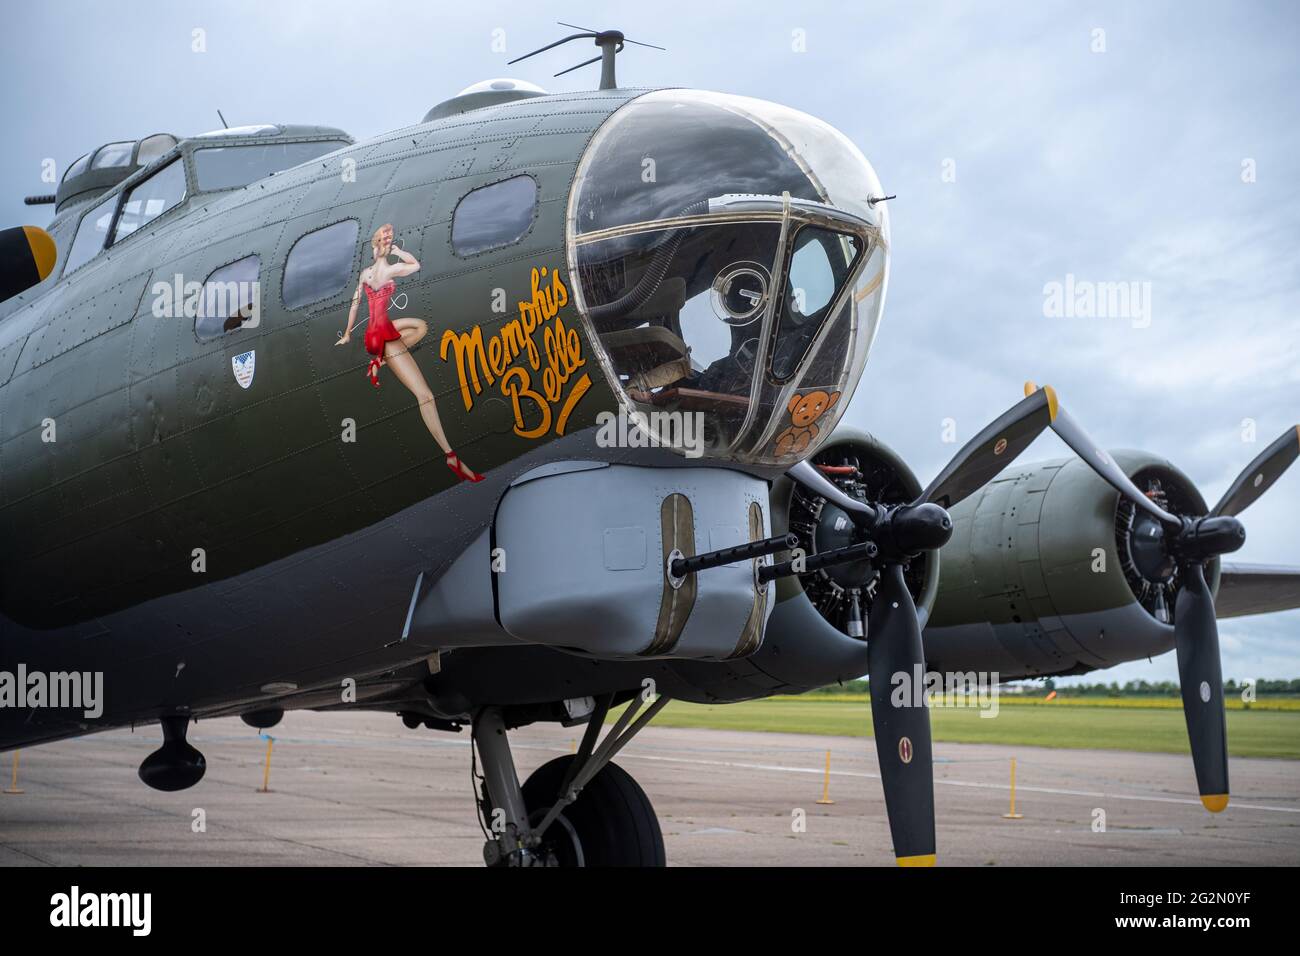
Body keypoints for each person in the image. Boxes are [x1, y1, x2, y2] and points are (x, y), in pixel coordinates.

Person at [337, 224, 483, 483]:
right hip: (384, 334)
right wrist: (399, 252)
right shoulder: (391, 269)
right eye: (386, 241)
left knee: (420, 327)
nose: (386, 243)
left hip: (377, 330)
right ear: (381, 246)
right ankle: (450, 455)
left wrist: (348, 333)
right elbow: (415, 265)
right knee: (425, 395)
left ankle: (379, 360)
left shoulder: (366, 274)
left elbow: (355, 304)